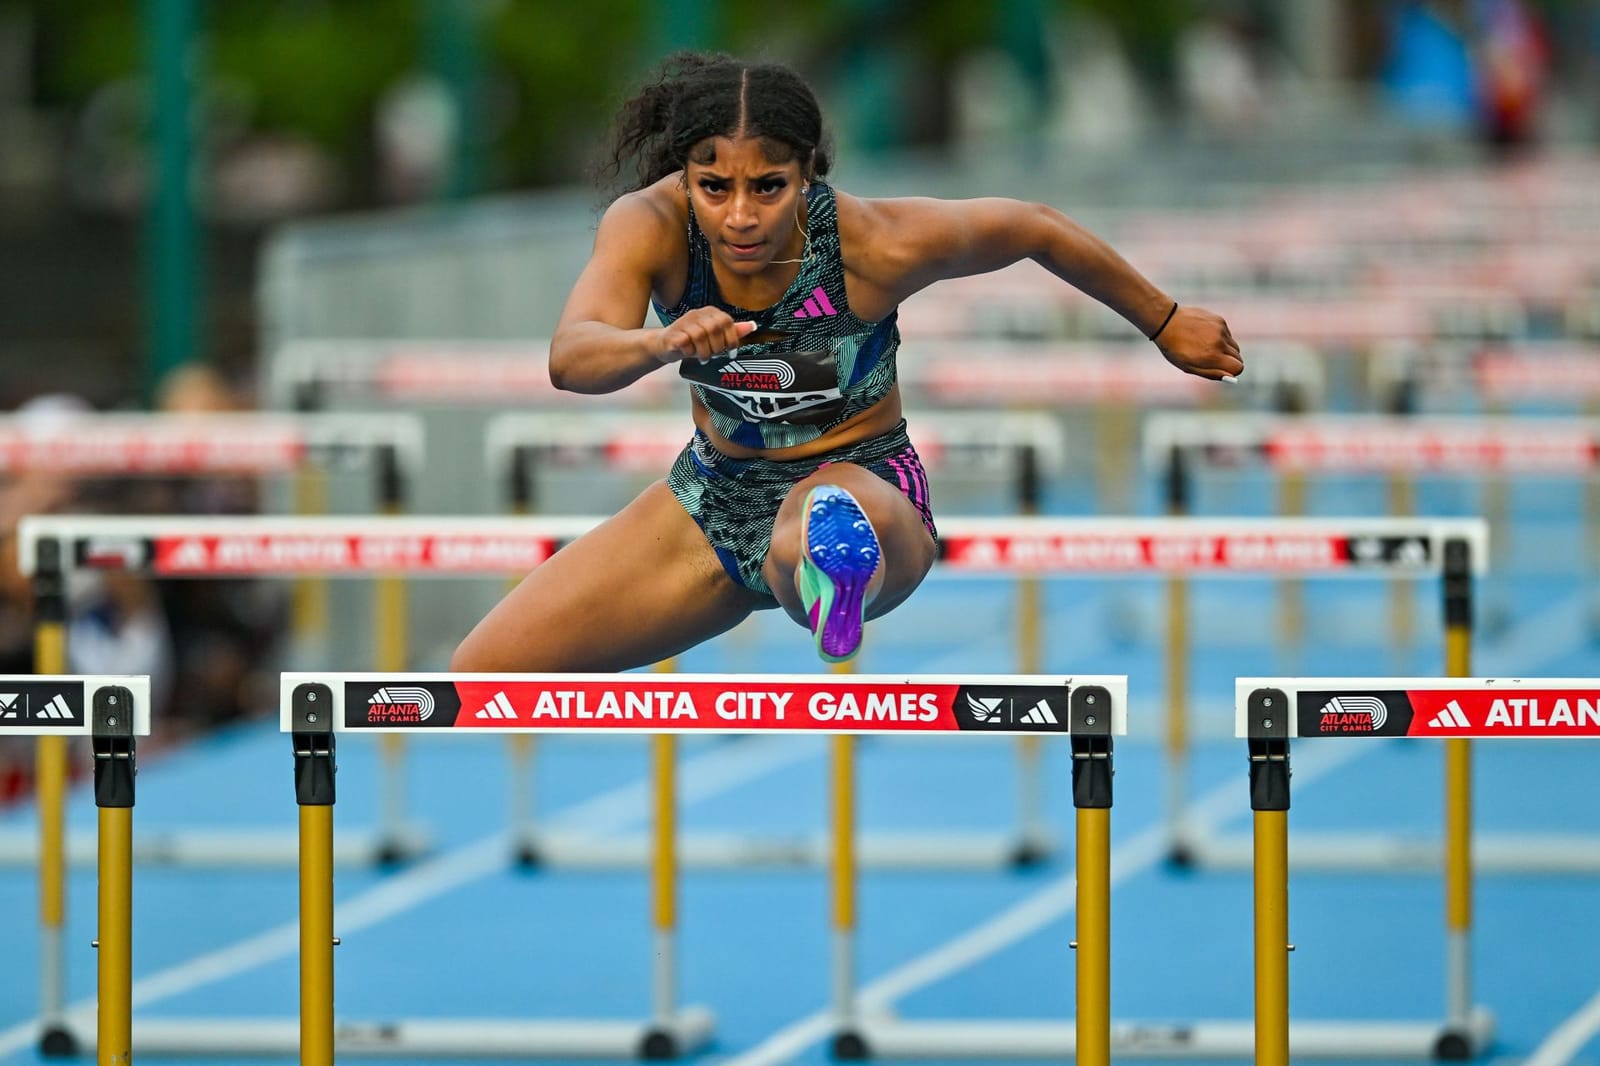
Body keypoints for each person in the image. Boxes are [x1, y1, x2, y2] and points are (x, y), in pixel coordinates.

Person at [451, 51, 1242, 674]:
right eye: (713, 187)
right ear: (683, 176)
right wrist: (660, 341)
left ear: (808, 174)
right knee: (479, 674)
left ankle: (829, 573)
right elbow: (573, 355)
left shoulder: (871, 245)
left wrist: (1164, 319)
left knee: (809, 529)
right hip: (712, 496)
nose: (739, 216)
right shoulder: (650, 225)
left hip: (862, 481)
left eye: (768, 187)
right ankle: (807, 566)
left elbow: (1033, 227)